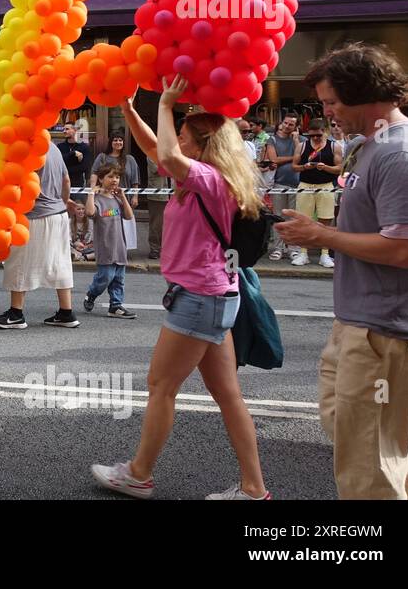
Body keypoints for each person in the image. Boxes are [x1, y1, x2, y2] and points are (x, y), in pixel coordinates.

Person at [93, 76, 270, 500]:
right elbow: (160, 149)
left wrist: (168, 103)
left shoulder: (207, 178)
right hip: (214, 295)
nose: (179, 142)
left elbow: (167, 153)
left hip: (200, 297)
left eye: (187, 136)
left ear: (202, 145)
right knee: (227, 395)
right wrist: (132, 111)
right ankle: (254, 489)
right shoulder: (206, 177)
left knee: (161, 386)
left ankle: (138, 473)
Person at [275, 43, 408, 499]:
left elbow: (406, 250)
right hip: (362, 322)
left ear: (368, 94)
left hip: (386, 329)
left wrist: (321, 237)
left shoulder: (401, 153)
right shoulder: (371, 145)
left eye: (332, 102)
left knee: (366, 466)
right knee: (361, 436)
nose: (325, 113)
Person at [0, 152, 79, 329]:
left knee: (19, 261)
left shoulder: (25, 148)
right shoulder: (53, 148)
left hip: (34, 214)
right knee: (60, 262)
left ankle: (16, 313)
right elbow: (66, 180)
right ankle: (66, 312)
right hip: (58, 213)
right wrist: (60, 202)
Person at [82, 164, 135, 318]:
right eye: (110, 177)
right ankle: (92, 293)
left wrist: (123, 197)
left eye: (117, 177)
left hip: (119, 246)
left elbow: (129, 216)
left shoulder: (117, 199)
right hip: (105, 246)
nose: (114, 180)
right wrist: (91, 192)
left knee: (119, 278)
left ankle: (115, 306)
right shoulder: (98, 199)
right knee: (105, 277)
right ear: (101, 178)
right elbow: (90, 212)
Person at [291, 119, 340, 268]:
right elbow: (294, 167)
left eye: (318, 135)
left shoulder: (334, 146)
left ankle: (324, 254)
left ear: (325, 132)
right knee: (303, 219)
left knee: (325, 219)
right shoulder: (302, 145)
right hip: (306, 185)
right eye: (312, 136)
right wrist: (304, 167)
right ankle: (303, 252)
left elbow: (339, 168)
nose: (315, 138)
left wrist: (325, 167)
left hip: (326, 185)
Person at [263, 116, 302, 261]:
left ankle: (293, 248)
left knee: (294, 217)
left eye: (291, 124)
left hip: (298, 184)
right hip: (278, 183)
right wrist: (294, 157)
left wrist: (297, 140)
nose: (287, 126)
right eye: (285, 123)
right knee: (279, 216)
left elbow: (303, 158)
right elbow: (274, 160)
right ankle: (278, 248)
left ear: (296, 127)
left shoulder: (301, 140)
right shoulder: (272, 140)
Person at [88, 131, 141, 203]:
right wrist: (92, 190)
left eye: (120, 140)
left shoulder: (130, 159)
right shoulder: (102, 157)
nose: (118, 142)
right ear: (111, 142)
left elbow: (135, 180)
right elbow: (94, 174)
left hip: (125, 199)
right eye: (115, 140)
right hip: (104, 198)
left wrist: (135, 197)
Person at [144, 155, 170, 260]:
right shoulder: (152, 152)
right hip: (157, 194)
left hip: (173, 193)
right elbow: (159, 169)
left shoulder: (174, 152)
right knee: (156, 223)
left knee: (171, 224)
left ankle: (168, 249)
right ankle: (155, 249)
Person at [58, 123, 92, 196]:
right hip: (61, 183)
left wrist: (66, 168)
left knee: (78, 205)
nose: (64, 131)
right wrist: (72, 154)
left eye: (67, 129)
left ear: (75, 130)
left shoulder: (84, 147)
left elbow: (85, 166)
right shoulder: (60, 147)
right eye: (63, 129)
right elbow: (58, 163)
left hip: (78, 183)